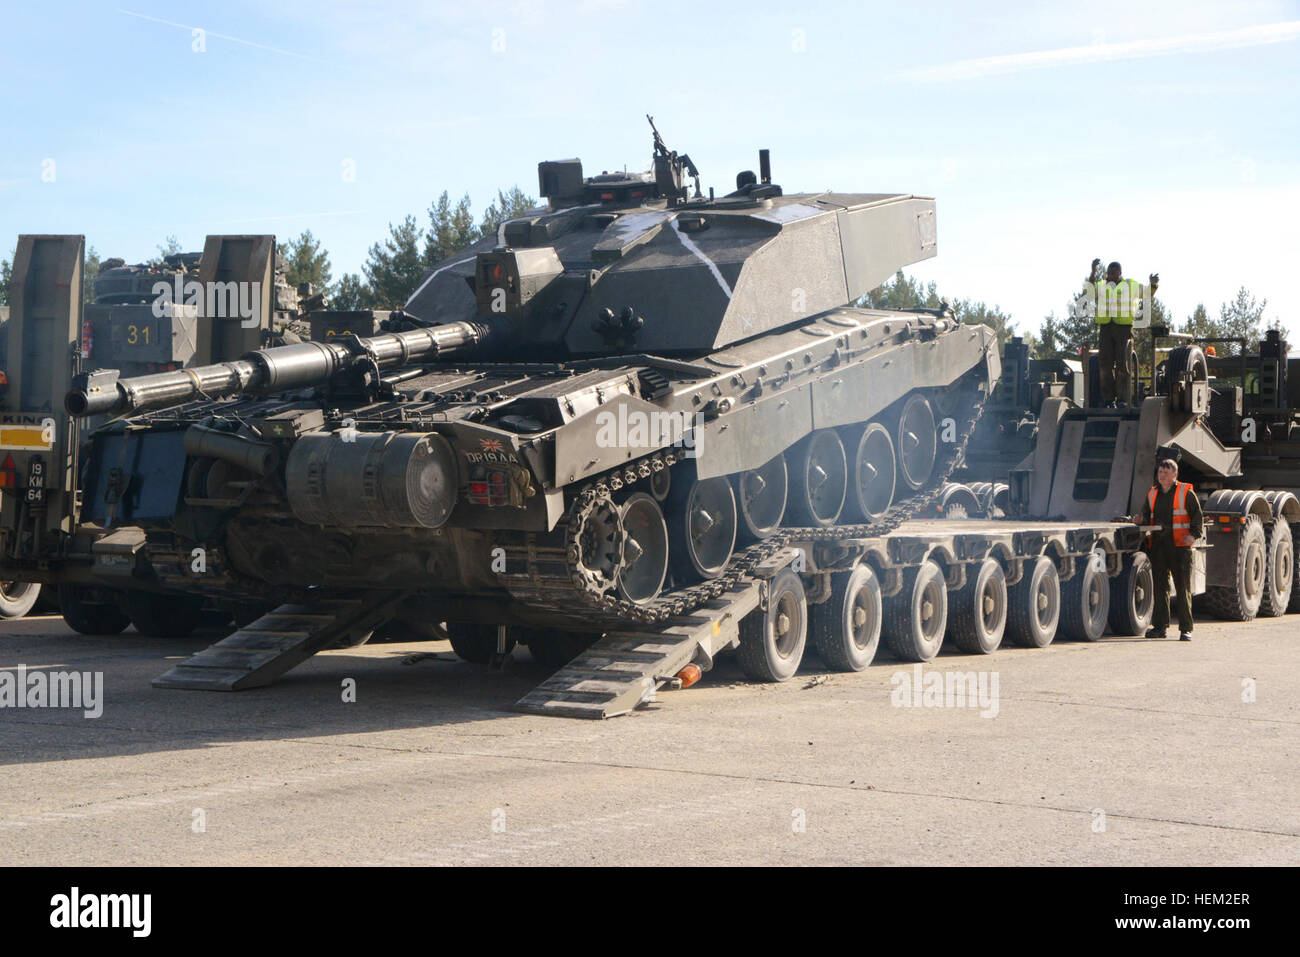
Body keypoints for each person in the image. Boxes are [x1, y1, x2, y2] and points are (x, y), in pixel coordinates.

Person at [1132, 458, 1202, 640]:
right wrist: (1140, 520)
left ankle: (1186, 629)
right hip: (1159, 546)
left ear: (1175, 474)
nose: (1162, 475)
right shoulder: (1153, 493)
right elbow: (1146, 516)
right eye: (1160, 472)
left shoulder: (1185, 493)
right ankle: (1159, 627)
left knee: (1182, 587)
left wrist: (1193, 536)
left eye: (1166, 472)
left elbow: (1197, 517)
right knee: (1160, 587)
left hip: (1180, 547)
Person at [1083, 259, 1158, 407]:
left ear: (1119, 273)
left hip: (1123, 328)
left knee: (1123, 363)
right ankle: (1108, 399)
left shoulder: (1130, 285)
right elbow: (1090, 291)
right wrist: (1092, 272)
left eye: (1113, 273)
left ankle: (1123, 399)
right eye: (1108, 273)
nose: (1110, 275)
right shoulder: (1102, 285)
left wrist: (1153, 284)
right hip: (1106, 328)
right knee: (1104, 364)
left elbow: (1147, 293)